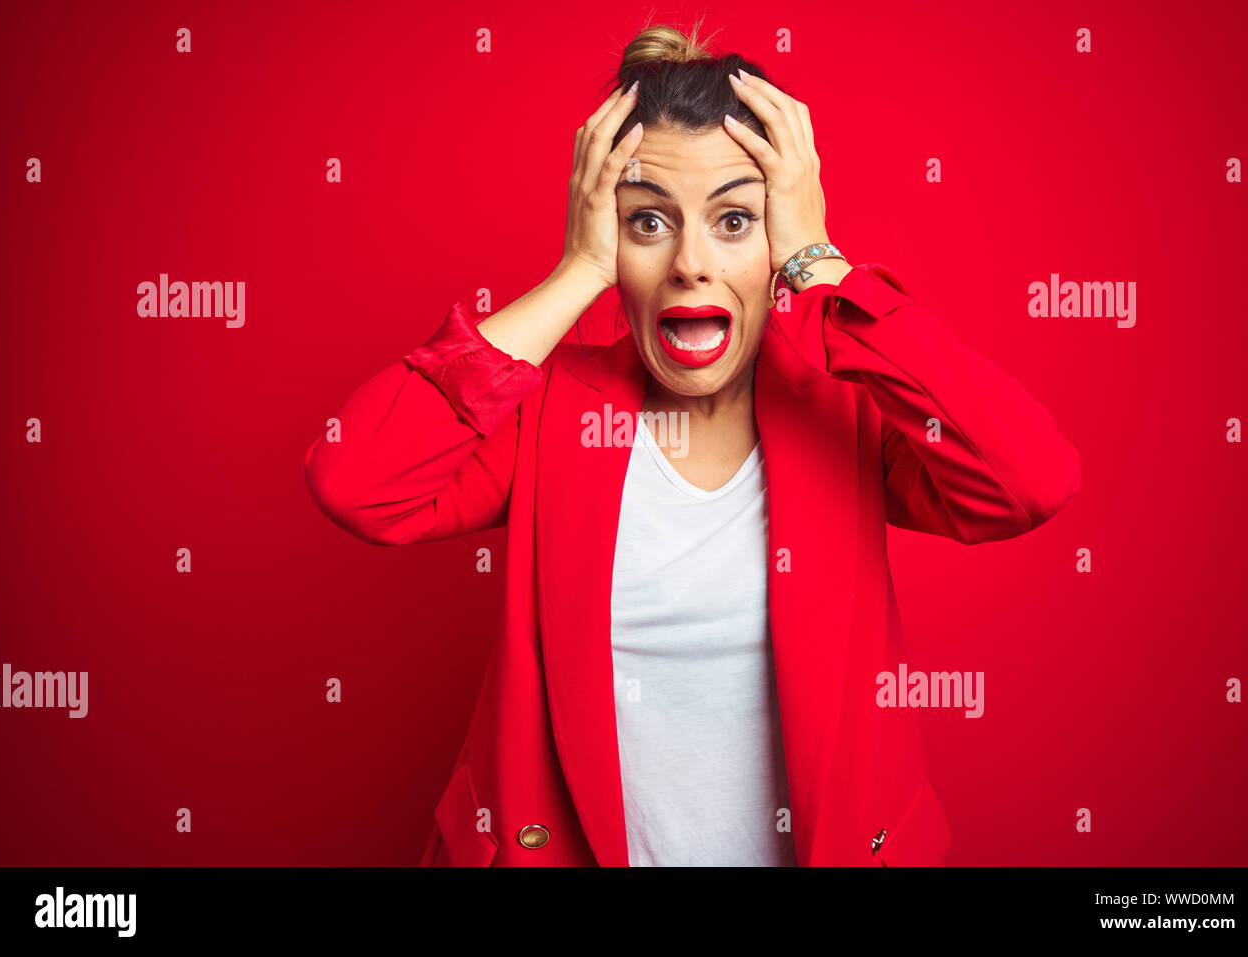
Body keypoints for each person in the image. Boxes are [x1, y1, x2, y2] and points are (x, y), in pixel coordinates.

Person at [303, 18, 1081, 866]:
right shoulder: (550, 411)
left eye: (735, 219)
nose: (690, 263)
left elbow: (1028, 479)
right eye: (648, 223)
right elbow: (357, 481)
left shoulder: (847, 410)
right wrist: (577, 271)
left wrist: (820, 264)